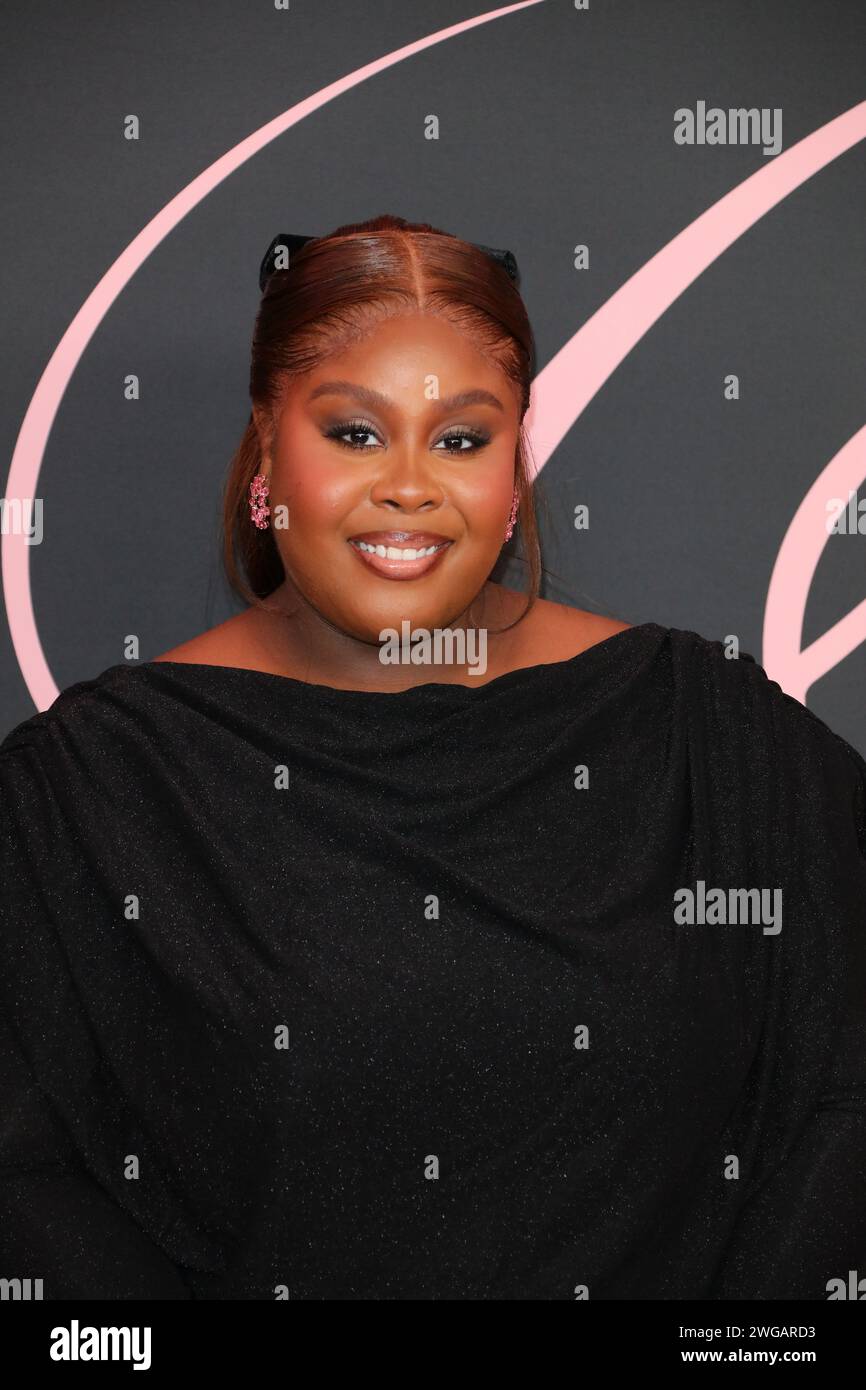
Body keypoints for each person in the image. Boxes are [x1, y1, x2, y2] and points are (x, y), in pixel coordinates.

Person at [1, 215, 864, 1300]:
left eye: (459, 438)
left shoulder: (709, 735)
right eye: (354, 433)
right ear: (265, 447)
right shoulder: (88, 789)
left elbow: (843, 1092)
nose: (408, 486)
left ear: (513, 464)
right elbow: (33, 1183)